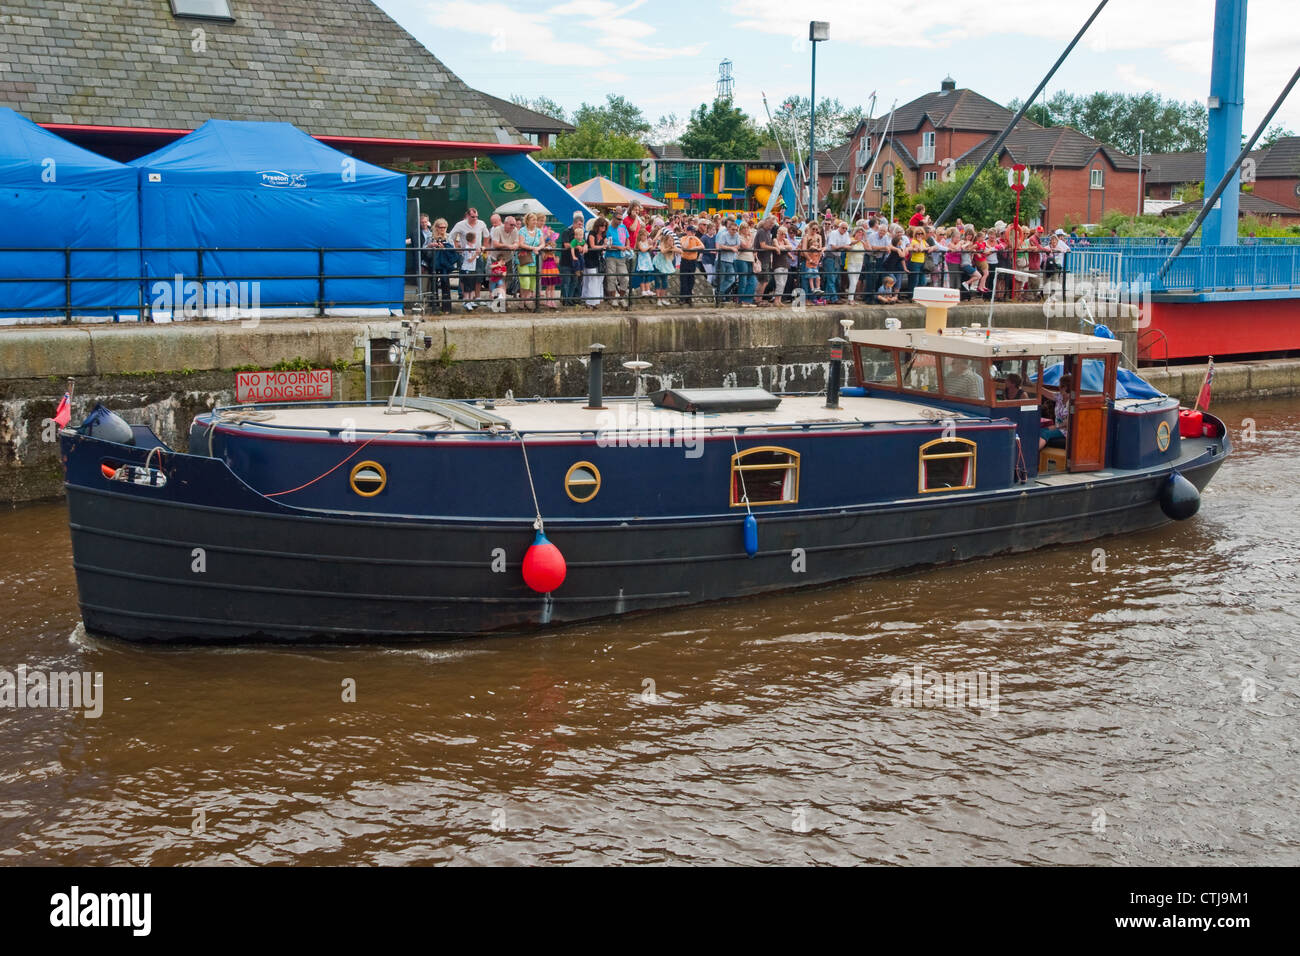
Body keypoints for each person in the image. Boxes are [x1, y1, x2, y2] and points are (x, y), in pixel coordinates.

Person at [425, 217, 456, 314]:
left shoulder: (448, 236)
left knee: (445, 283)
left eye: (444, 227)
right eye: (440, 227)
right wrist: (430, 246)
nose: (442, 229)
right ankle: (434, 306)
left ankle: (446, 308)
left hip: (444, 264)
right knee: (433, 284)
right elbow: (423, 248)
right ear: (436, 227)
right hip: (433, 262)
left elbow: (453, 250)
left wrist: (444, 248)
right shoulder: (430, 237)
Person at [517, 212, 543, 311]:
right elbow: (521, 243)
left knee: (532, 280)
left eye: (536, 220)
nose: (535, 222)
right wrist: (533, 248)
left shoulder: (539, 231)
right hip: (524, 258)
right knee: (525, 280)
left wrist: (538, 248)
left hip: (534, 259)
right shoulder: (522, 231)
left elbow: (542, 243)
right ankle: (526, 301)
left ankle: (523, 301)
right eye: (533, 220)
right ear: (527, 221)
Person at [1039, 372, 1072, 451]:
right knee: (1039, 430)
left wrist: (1056, 426)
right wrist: (1030, 383)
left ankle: (1032, 454)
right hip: (1058, 428)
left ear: (1065, 387)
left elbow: (1070, 422)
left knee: (1045, 433)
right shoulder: (1059, 396)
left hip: (1066, 431)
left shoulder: (1073, 402)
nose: (1058, 387)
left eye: (1060, 385)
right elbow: (1043, 391)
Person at [605, 215, 632, 308]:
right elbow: (608, 244)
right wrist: (618, 247)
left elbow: (627, 238)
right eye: (619, 219)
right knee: (611, 278)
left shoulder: (623, 227)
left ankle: (621, 297)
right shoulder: (608, 228)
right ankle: (613, 299)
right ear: (613, 219)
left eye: (621, 219)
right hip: (611, 256)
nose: (621, 221)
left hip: (621, 256)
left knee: (625, 278)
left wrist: (627, 245)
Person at [558, 212, 584, 306]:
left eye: (582, 224)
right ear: (574, 223)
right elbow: (566, 244)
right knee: (566, 282)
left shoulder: (581, 234)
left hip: (576, 262)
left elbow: (584, 243)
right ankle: (565, 300)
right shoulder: (566, 232)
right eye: (579, 224)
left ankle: (570, 299)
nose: (580, 226)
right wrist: (577, 246)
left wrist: (585, 246)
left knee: (574, 281)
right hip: (566, 261)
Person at [581, 217, 607, 308]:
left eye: (605, 226)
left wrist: (604, 247)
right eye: (602, 226)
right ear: (597, 226)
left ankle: (595, 300)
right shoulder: (592, 234)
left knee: (597, 280)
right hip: (590, 259)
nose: (603, 227)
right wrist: (602, 247)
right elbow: (592, 246)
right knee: (592, 279)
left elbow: (605, 246)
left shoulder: (604, 236)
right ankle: (590, 301)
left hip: (598, 259)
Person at [715, 218, 739, 303]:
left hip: (731, 260)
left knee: (731, 278)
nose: (734, 231)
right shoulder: (723, 235)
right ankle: (719, 294)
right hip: (722, 259)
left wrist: (731, 248)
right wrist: (731, 248)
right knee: (721, 278)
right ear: (728, 229)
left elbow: (738, 246)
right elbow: (721, 246)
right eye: (733, 229)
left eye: (736, 230)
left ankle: (719, 292)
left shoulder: (737, 235)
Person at [679, 224, 704, 305]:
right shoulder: (683, 238)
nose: (693, 234)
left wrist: (694, 248)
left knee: (691, 280)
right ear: (687, 232)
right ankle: (683, 298)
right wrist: (689, 238)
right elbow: (684, 247)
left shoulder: (696, 238)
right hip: (685, 261)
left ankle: (689, 298)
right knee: (684, 279)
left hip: (693, 261)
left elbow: (702, 246)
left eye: (694, 232)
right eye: (692, 232)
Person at [651, 233, 676, 307]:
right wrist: (670, 248)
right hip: (658, 264)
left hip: (665, 265)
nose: (671, 242)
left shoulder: (672, 246)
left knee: (665, 282)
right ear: (666, 240)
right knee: (658, 281)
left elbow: (680, 251)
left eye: (672, 240)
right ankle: (659, 299)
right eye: (670, 240)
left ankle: (662, 298)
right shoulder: (661, 243)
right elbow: (662, 251)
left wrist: (676, 249)